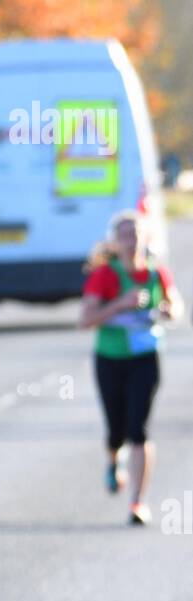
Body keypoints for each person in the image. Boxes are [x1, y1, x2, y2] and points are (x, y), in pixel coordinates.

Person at [79, 209, 184, 524]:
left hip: (144, 359)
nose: (131, 240)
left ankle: (137, 502)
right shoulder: (105, 275)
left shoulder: (156, 274)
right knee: (116, 429)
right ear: (115, 241)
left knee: (138, 428)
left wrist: (168, 310)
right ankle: (114, 460)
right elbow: (85, 320)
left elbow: (177, 307)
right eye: (125, 235)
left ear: (146, 238)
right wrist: (119, 304)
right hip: (110, 359)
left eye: (136, 233)